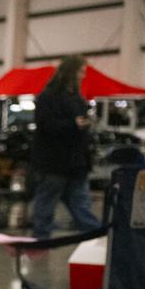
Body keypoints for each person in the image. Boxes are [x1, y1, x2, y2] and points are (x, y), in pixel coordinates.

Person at [31, 54, 100, 238]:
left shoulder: (77, 98)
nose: (83, 76)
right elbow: (45, 125)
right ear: (71, 71)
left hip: (75, 163)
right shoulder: (48, 97)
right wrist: (73, 124)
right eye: (81, 71)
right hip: (54, 163)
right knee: (47, 206)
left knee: (80, 204)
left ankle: (96, 237)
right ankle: (41, 241)